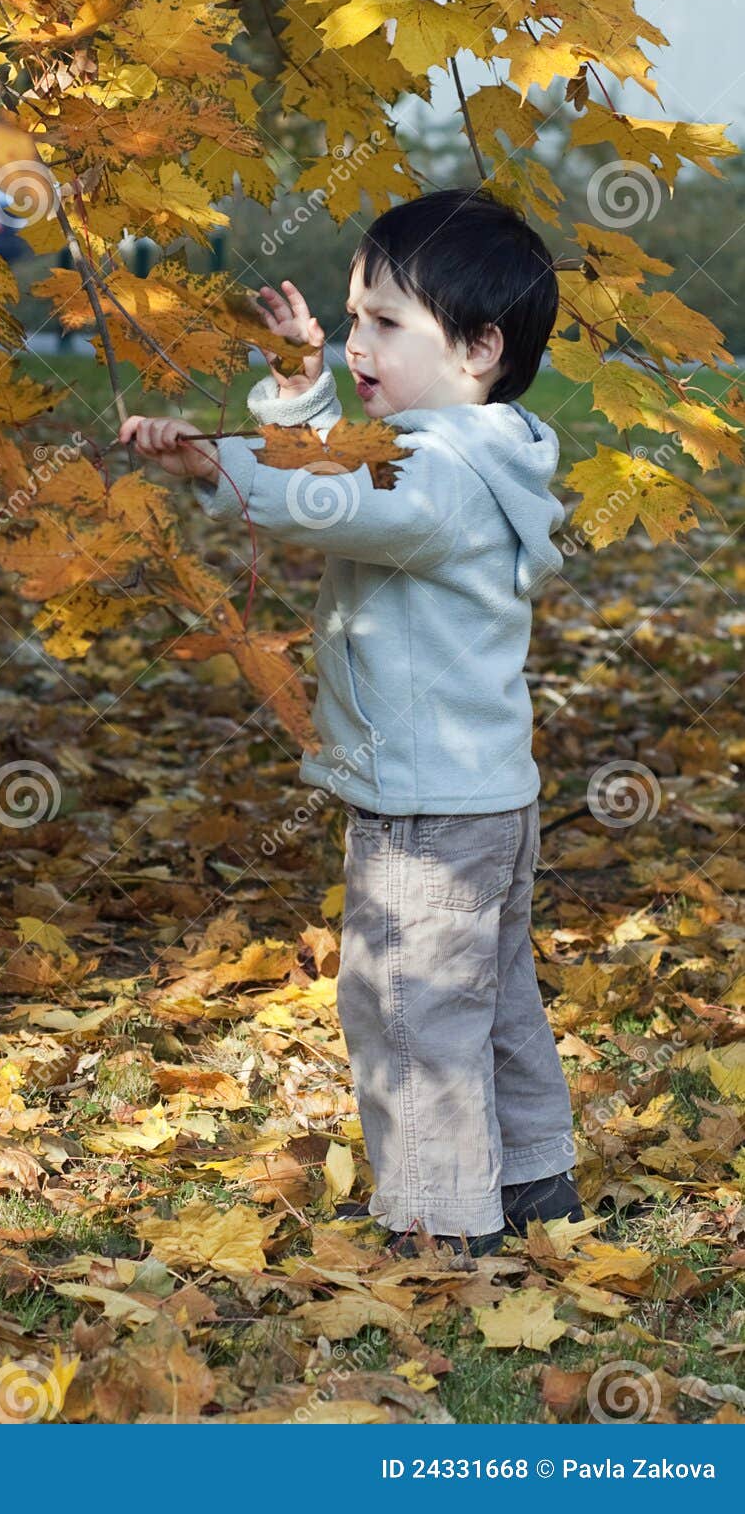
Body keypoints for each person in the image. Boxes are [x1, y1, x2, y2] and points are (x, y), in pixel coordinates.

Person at [117, 187, 586, 1259]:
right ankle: (531, 1178)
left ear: (478, 347)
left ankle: (437, 1223)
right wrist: (291, 390)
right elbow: (344, 465)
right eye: (354, 316)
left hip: (424, 809)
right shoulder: (476, 450)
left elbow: (329, 497)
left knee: (408, 1009)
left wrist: (215, 464)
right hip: (487, 798)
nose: (359, 341)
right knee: (493, 995)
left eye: (385, 323)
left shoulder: (437, 481)